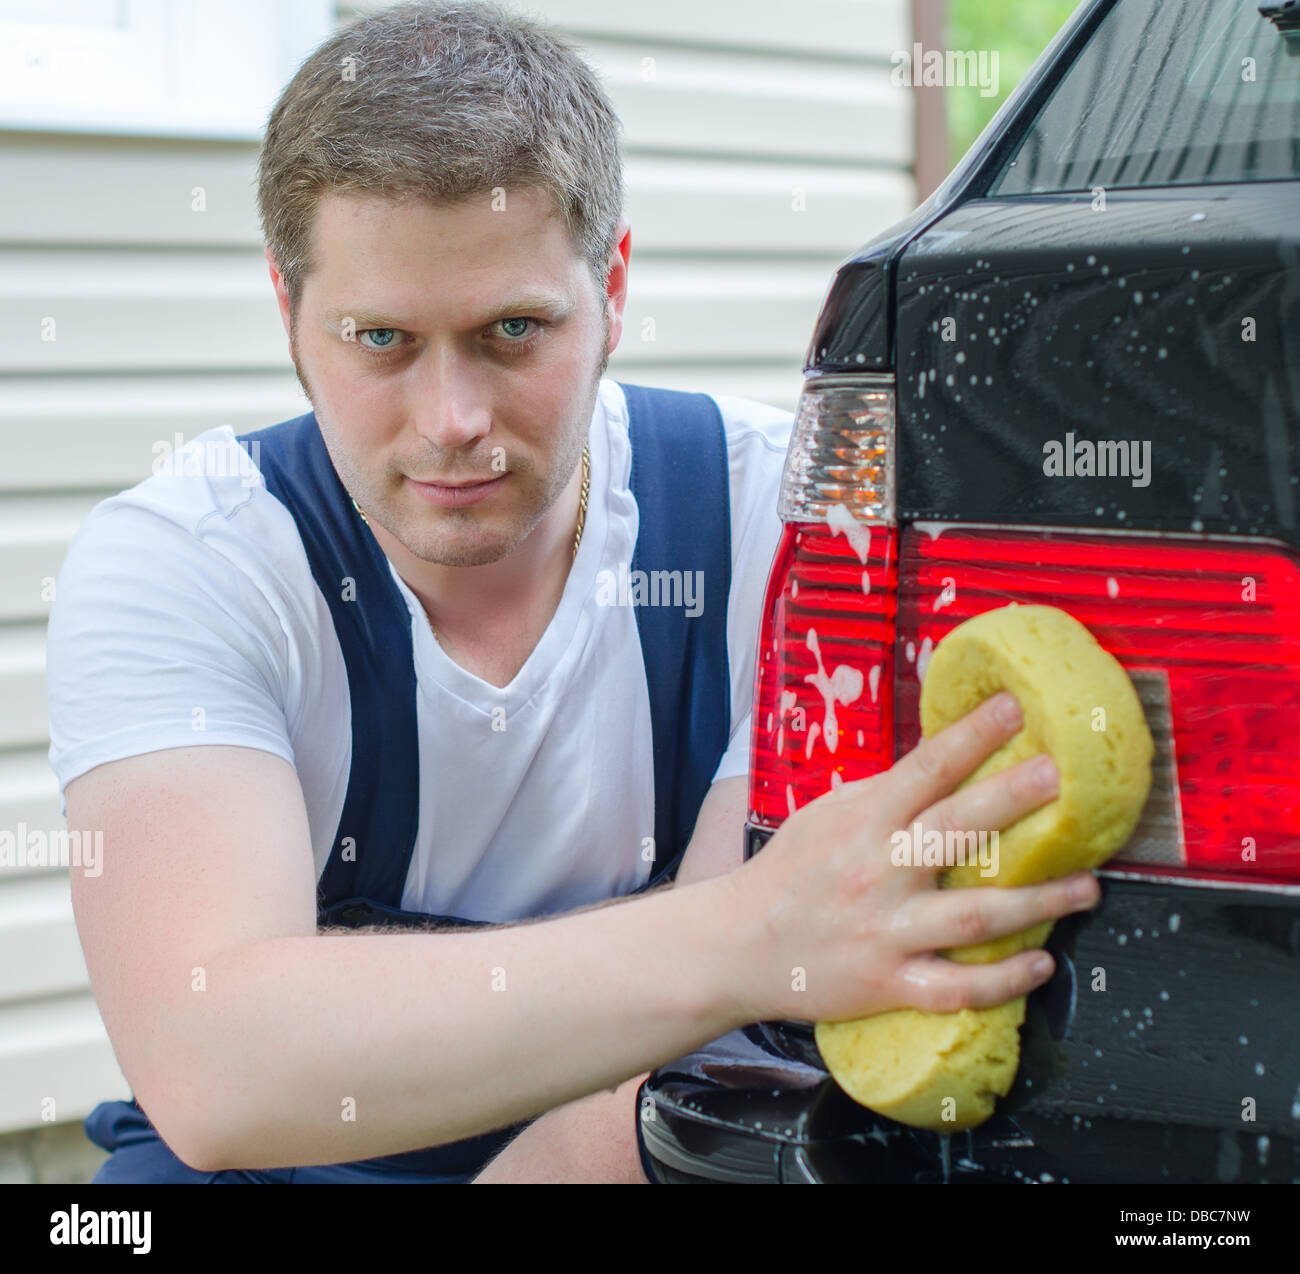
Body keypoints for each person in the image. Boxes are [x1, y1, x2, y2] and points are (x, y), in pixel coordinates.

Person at [46, 0, 1098, 1184]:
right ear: (289, 313)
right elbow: (217, 1070)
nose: (452, 421)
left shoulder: (777, 526)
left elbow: (710, 1041)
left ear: (614, 284)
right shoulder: (188, 559)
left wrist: (738, 956)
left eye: (511, 329)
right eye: (381, 339)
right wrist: (753, 935)